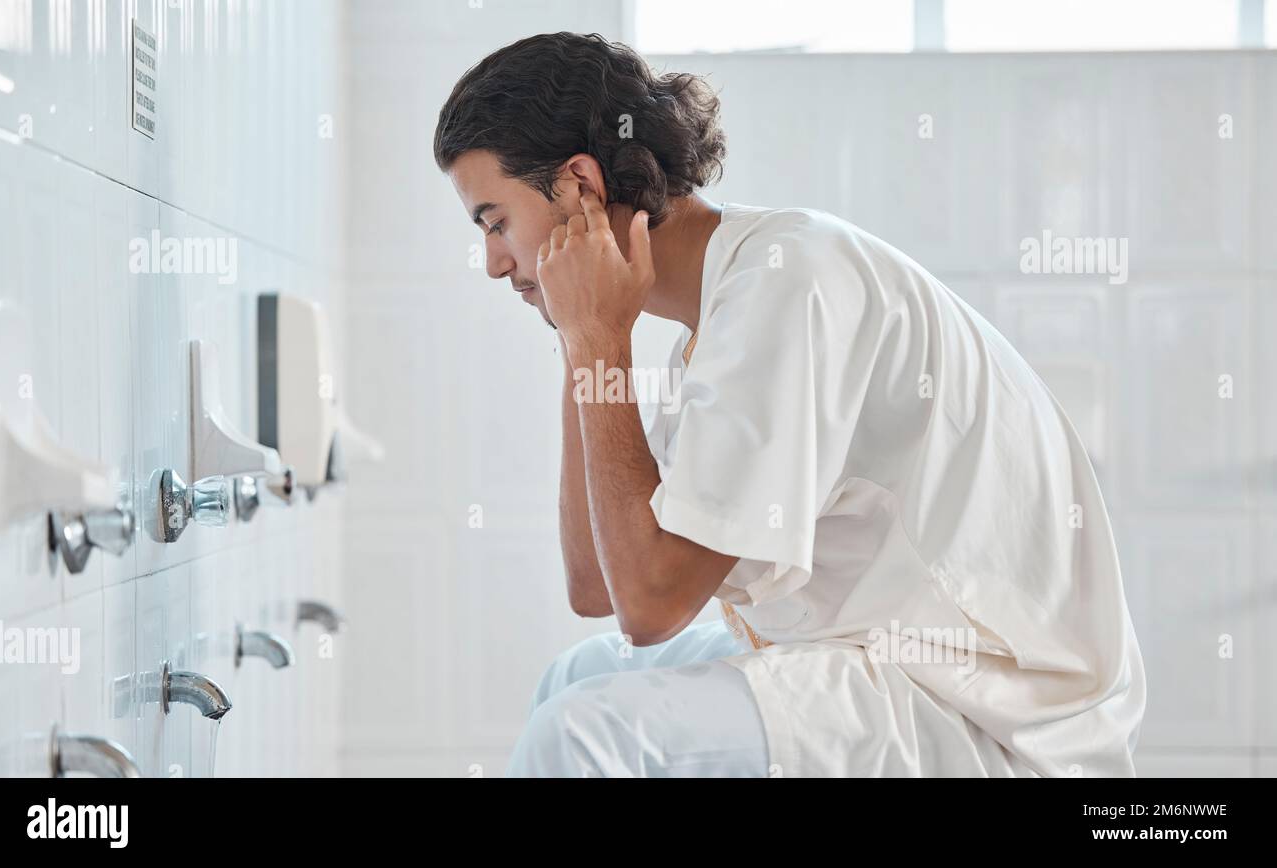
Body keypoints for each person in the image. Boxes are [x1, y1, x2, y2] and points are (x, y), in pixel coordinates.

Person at [433, 32, 1145, 777]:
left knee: (585, 734)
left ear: (579, 185)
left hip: (991, 711)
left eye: (494, 221)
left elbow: (651, 608)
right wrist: (582, 340)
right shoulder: (717, 326)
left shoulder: (786, 279)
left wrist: (598, 338)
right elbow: (596, 589)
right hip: (883, 661)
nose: (492, 263)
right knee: (577, 680)